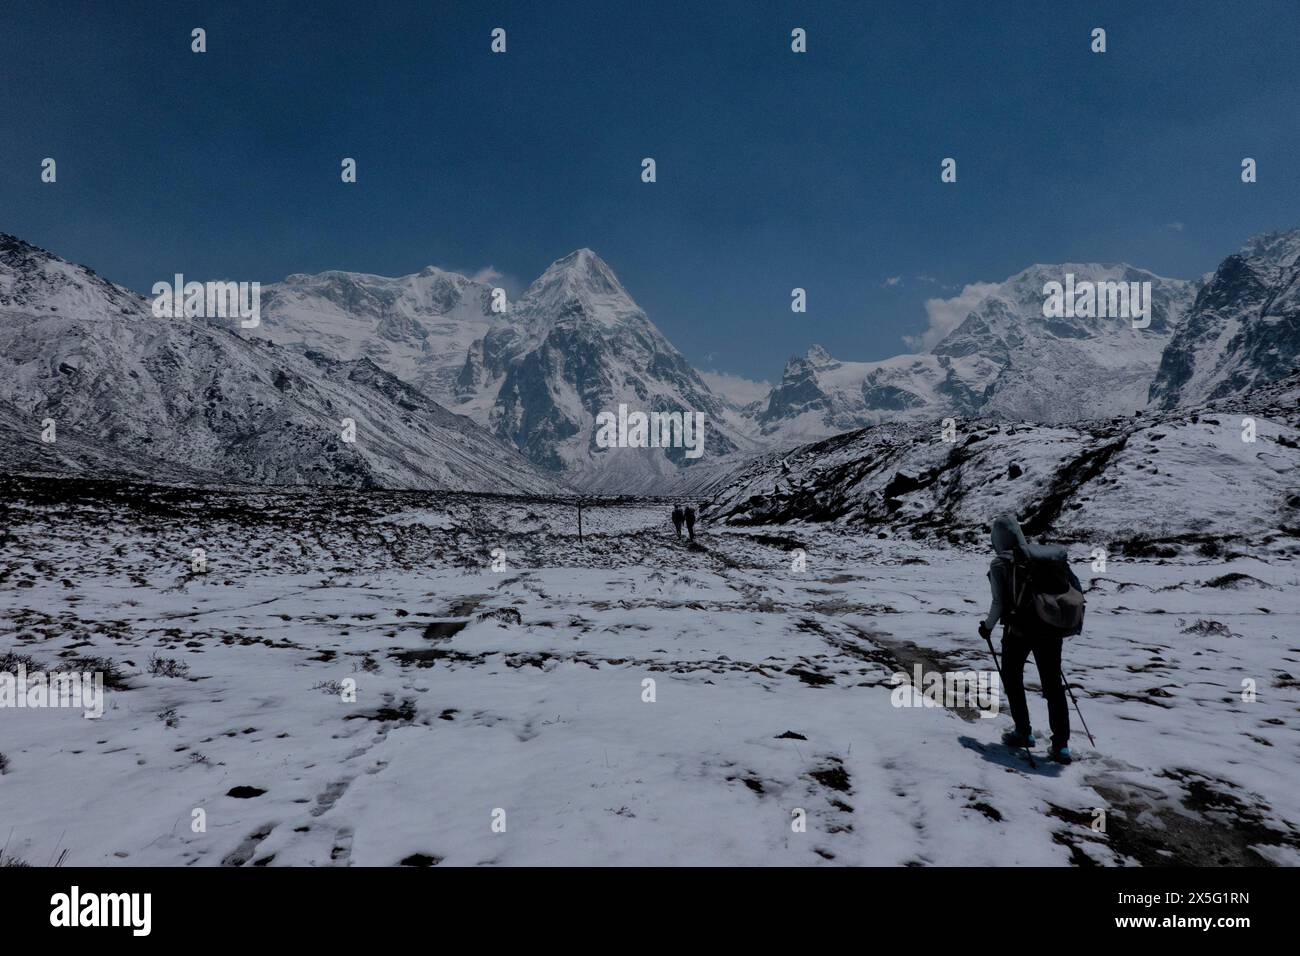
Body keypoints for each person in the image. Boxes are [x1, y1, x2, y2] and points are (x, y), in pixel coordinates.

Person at [978, 514, 1076, 764]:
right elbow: (1073, 586)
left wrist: (987, 627)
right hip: (1051, 627)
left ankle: (1023, 731)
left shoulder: (1000, 563)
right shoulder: (1043, 558)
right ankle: (1061, 745)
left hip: (1018, 631)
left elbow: (998, 602)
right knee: (1053, 685)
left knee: (1012, 678)